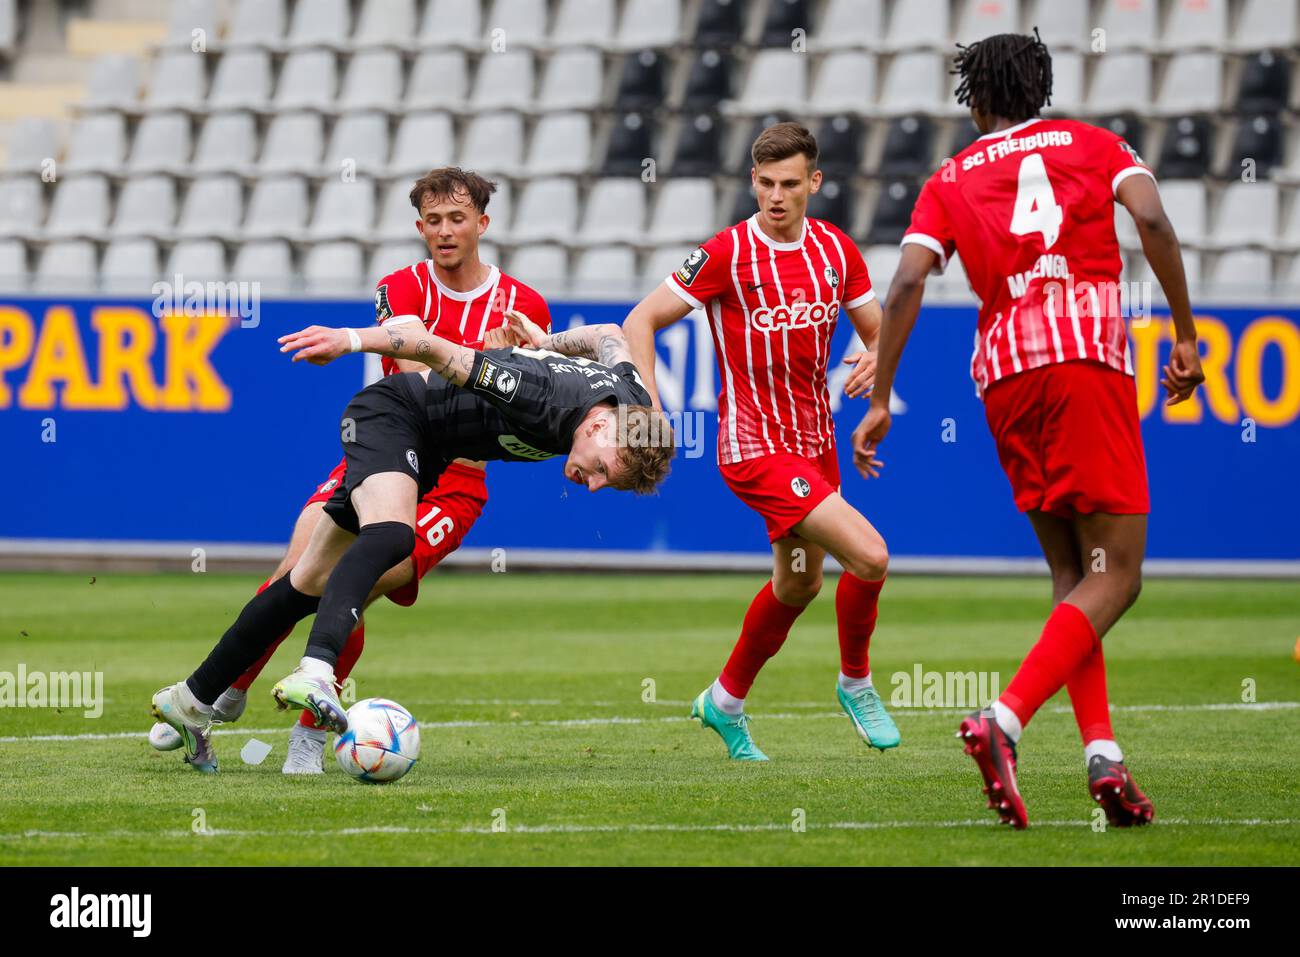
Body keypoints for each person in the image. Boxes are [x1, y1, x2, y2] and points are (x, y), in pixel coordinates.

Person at [855, 30, 1205, 828]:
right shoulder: (1094, 142)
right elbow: (1150, 218)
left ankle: (1103, 757)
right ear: (1040, 88)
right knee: (1119, 574)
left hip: (1006, 375)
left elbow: (908, 276)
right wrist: (1183, 334)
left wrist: (881, 395)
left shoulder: (950, 177)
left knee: (1074, 575)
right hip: (1084, 357)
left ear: (974, 100)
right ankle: (1003, 720)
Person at [148, 167, 552, 774]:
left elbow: (532, 398)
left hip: (456, 479)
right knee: (298, 568)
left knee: (351, 585)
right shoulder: (401, 285)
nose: (445, 232)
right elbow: (412, 356)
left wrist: (529, 352)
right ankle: (218, 697)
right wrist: (475, 361)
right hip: (384, 451)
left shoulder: (522, 304)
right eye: (433, 221)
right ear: (420, 227)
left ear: (482, 225)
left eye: (457, 219)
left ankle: (306, 737)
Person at [150, 313, 675, 773]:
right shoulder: (534, 393)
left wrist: (548, 342)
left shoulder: (635, 402)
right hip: (392, 415)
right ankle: (316, 671)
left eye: (612, 483)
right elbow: (431, 348)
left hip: (426, 446)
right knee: (394, 535)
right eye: (604, 468)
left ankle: (190, 698)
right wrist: (351, 341)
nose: (596, 483)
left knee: (305, 583)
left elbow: (610, 335)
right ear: (600, 424)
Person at [623, 122, 897, 761]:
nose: (776, 196)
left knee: (799, 584)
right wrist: (650, 406)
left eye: (790, 184)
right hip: (753, 448)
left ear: (814, 183)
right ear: (753, 181)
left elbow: (882, 333)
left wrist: (878, 360)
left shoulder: (837, 251)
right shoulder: (724, 253)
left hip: (817, 446)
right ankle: (856, 682)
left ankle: (723, 701)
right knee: (872, 557)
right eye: (766, 183)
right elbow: (641, 319)